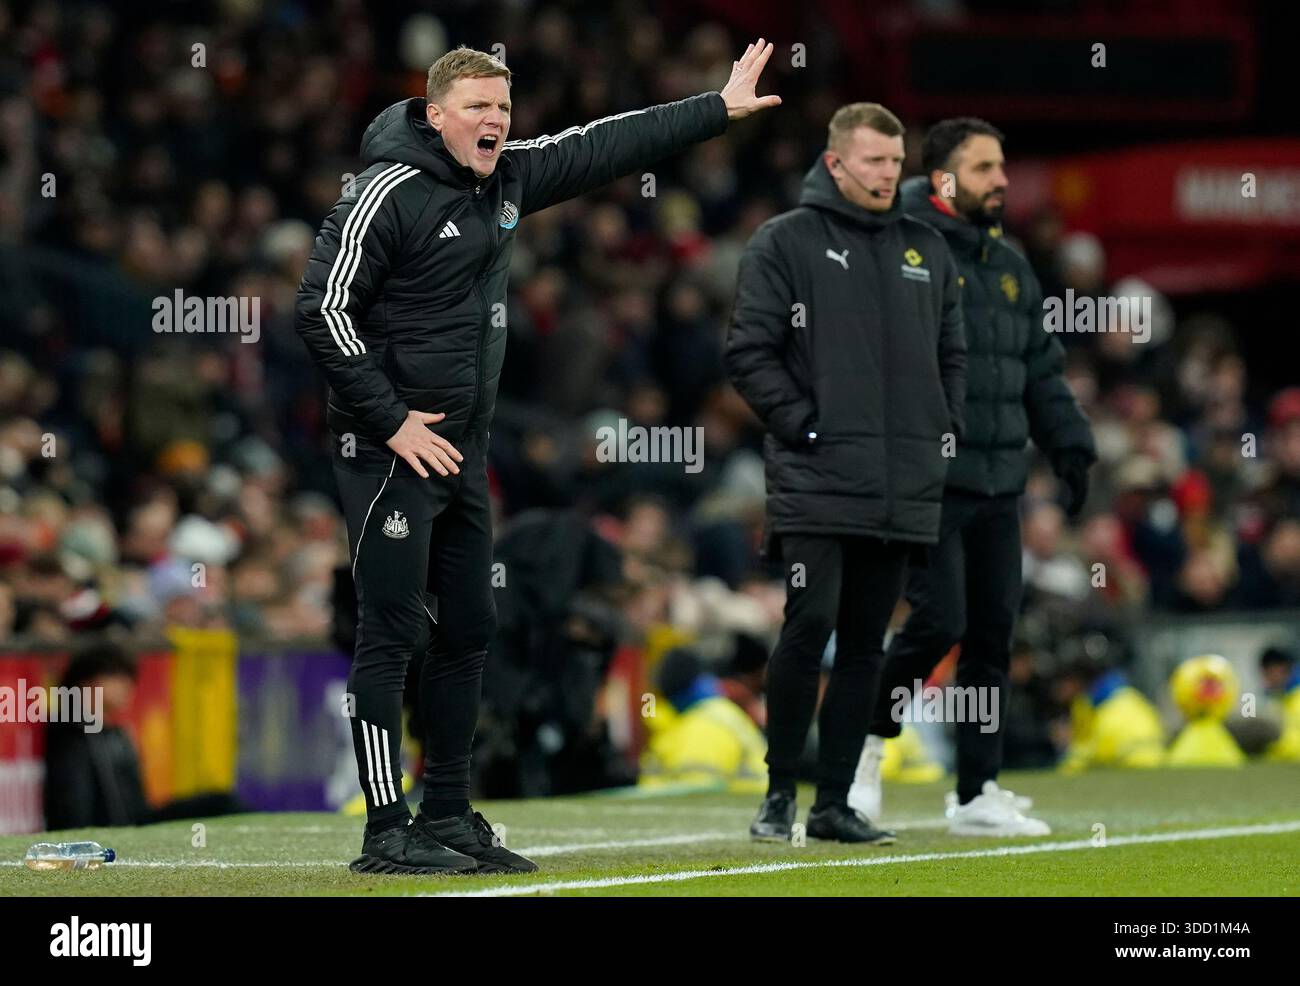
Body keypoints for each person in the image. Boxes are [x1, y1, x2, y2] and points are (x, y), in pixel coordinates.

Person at [294, 41, 781, 875]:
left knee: (474, 627)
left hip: (462, 450)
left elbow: (602, 145)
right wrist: (392, 422)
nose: (495, 122)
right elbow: (322, 309)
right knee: (392, 634)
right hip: (388, 454)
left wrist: (715, 106)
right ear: (436, 112)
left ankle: (446, 811)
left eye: (504, 109)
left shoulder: (507, 178)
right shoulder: (385, 191)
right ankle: (385, 829)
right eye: (478, 107)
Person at [726, 103, 967, 844]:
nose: (888, 175)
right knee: (809, 629)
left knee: (866, 644)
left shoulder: (927, 247)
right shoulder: (786, 241)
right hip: (817, 481)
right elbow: (748, 352)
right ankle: (777, 795)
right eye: (873, 162)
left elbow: (953, 354)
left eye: (897, 163)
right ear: (835, 163)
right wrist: (806, 424)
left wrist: (941, 429)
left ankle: (833, 803)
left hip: (902, 484)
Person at [851, 118, 1097, 836]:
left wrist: (1071, 445)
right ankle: (866, 752)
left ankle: (975, 792)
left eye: (1002, 165)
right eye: (986, 167)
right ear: (948, 178)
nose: (1002, 180)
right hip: (932, 476)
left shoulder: (1011, 265)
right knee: (940, 621)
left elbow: (1041, 370)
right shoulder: (906, 249)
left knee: (992, 633)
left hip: (999, 480)